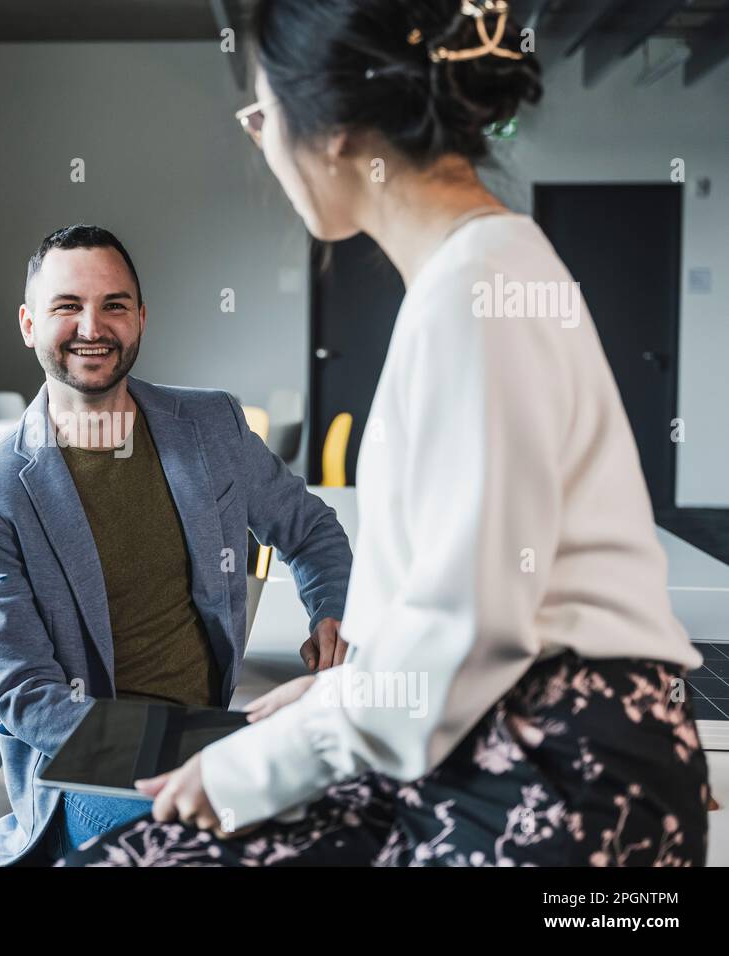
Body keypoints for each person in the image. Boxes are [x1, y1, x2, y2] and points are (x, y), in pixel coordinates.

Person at [62, 0, 710, 867]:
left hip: (558, 775)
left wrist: (257, 764)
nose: (262, 144)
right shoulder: (481, 271)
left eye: (262, 116)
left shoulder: (478, 292)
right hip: (508, 739)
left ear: (331, 128)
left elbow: (465, 634)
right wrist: (333, 699)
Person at [0, 223, 353, 866]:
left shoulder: (212, 424)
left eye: (113, 305)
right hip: (89, 769)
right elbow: (27, 696)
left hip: (212, 736)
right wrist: (199, 748)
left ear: (140, 317)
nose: (92, 327)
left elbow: (312, 530)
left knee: (364, 812)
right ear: (28, 323)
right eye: (66, 306)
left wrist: (330, 609)